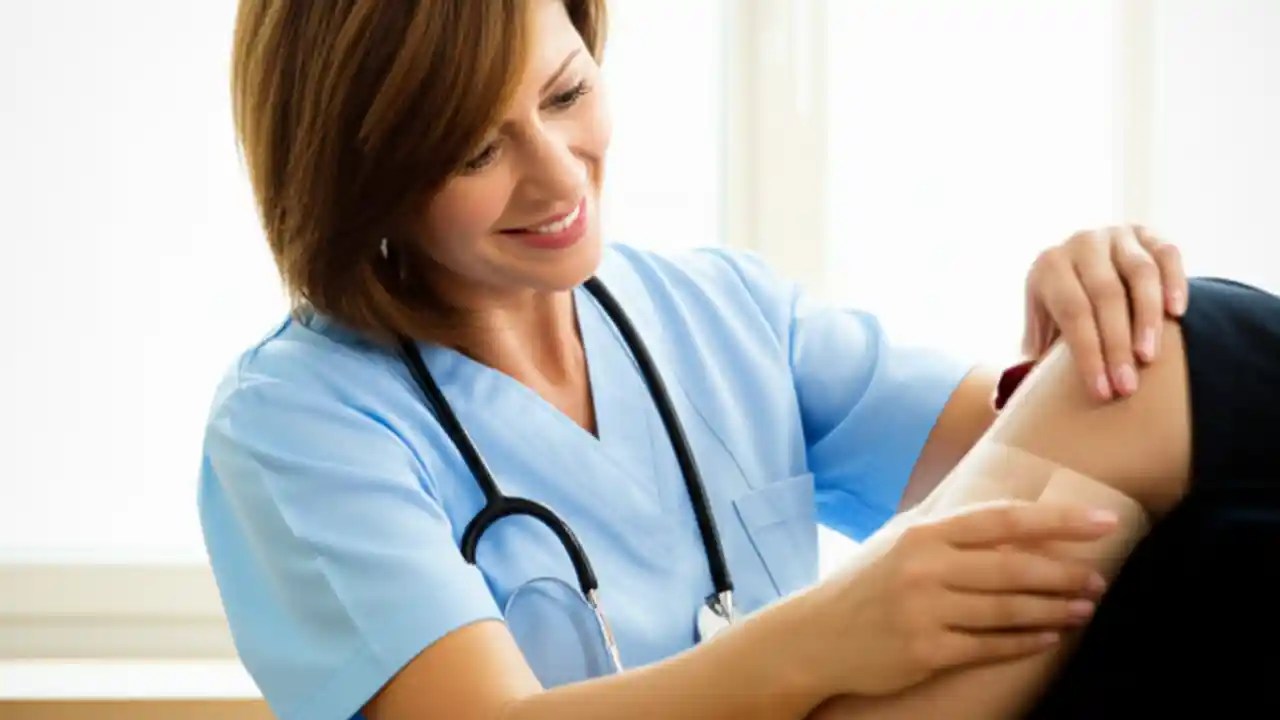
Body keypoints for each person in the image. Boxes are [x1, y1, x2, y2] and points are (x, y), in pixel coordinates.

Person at [199, 2, 1273, 719]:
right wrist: (821, 641)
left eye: (566, 95)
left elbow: (1034, 453)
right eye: (476, 151)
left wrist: (1078, 316)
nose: (555, 173)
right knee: (1191, 373)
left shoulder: (714, 313)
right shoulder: (296, 422)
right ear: (361, 174)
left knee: (1217, 546)